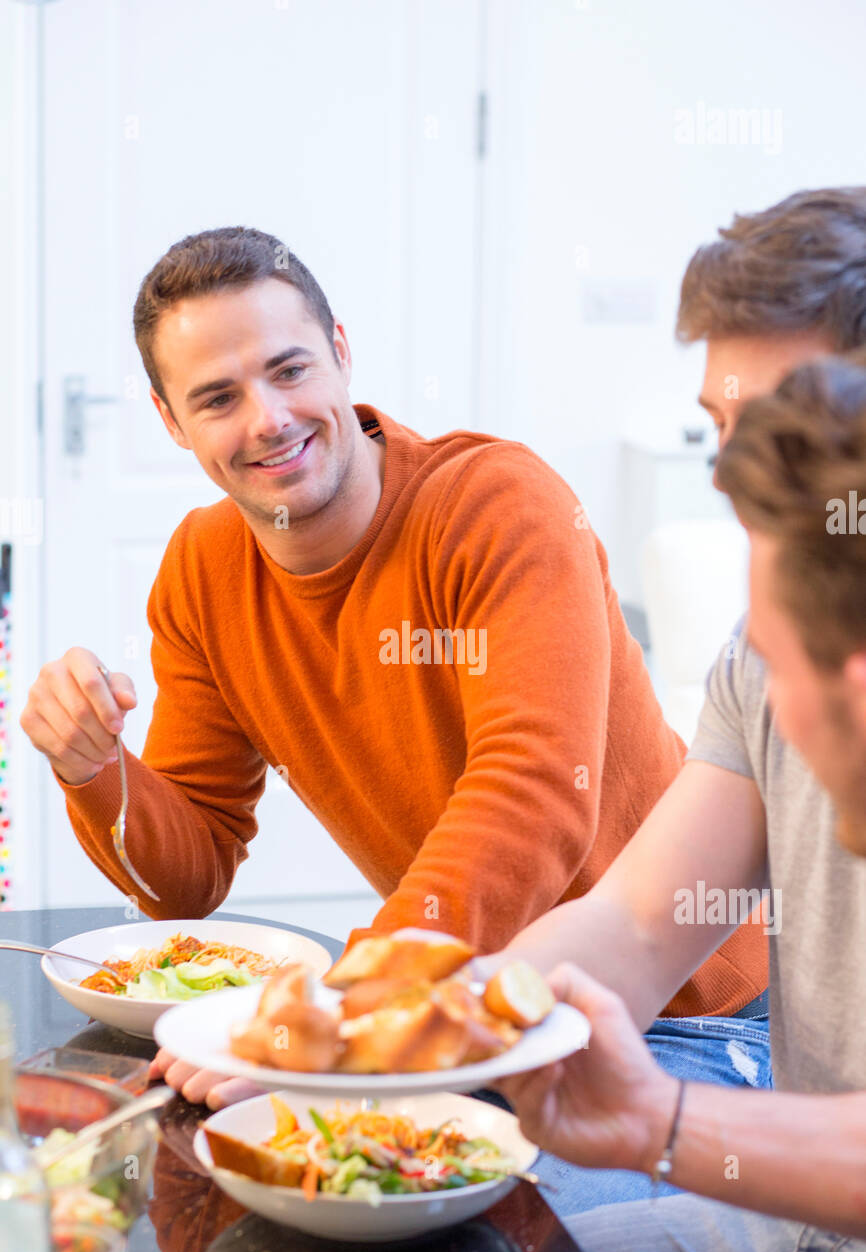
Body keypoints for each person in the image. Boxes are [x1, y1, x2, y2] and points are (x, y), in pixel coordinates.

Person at [19, 226, 766, 1111]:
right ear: (170, 422)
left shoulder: (499, 506)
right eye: (217, 397)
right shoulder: (203, 568)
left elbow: (531, 796)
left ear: (340, 354)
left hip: (683, 1019)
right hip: (459, 1007)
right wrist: (96, 769)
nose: (268, 419)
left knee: (447, 1215)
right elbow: (188, 879)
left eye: (289, 370)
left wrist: (344, 1015)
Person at [477, 186, 866, 1221]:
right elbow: (643, 921)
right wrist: (383, 1039)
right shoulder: (760, 655)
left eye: (776, 425)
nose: (732, 478)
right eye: (719, 431)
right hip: (793, 1215)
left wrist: (660, 1121)